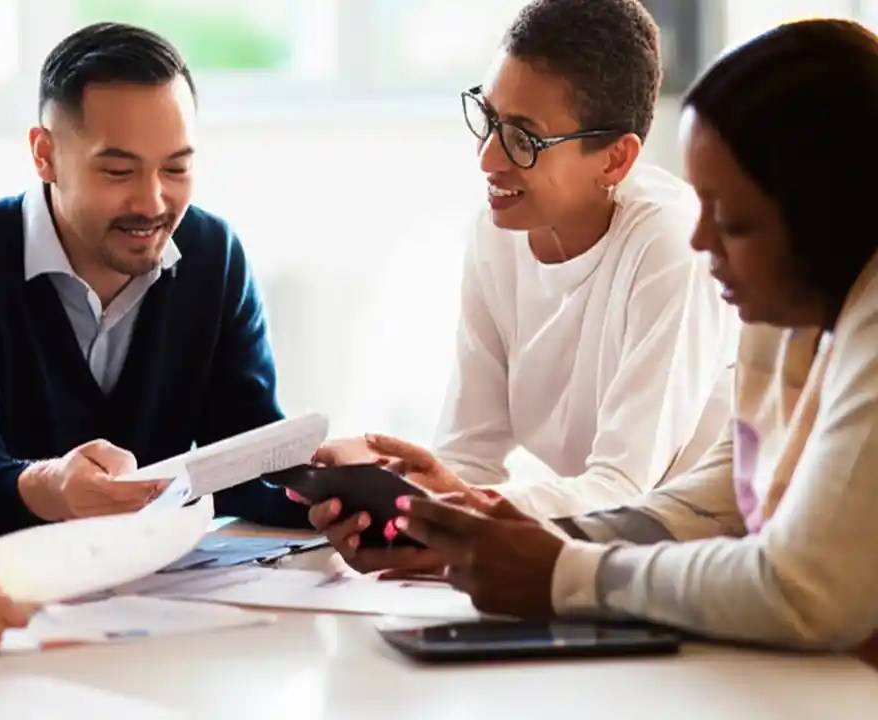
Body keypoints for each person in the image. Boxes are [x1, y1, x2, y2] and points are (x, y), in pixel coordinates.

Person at [392, 17, 878, 667]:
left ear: (830, 218)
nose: (701, 241)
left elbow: (802, 587)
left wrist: (563, 573)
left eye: (733, 222)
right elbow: (716, 505)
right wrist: (491, 533)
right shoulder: (791, 310)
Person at [304, 0, 736, 574]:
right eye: (488, 119)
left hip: (687, 561)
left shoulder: (671, 246)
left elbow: (625, 489)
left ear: (615, 159)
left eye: (524, 139)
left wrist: (458, 509)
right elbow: (468, 456)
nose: (488, 158)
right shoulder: (496, 235)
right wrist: (394, 506)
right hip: (589, 553)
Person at [0, 22, 309, 557]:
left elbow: (245, 462)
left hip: (162, 582)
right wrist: (48, 488)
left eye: (176, 168)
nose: (152, 202)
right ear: (44, 154)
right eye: (118, 171)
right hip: (5, 585)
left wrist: (329, 485)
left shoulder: (212, 256)